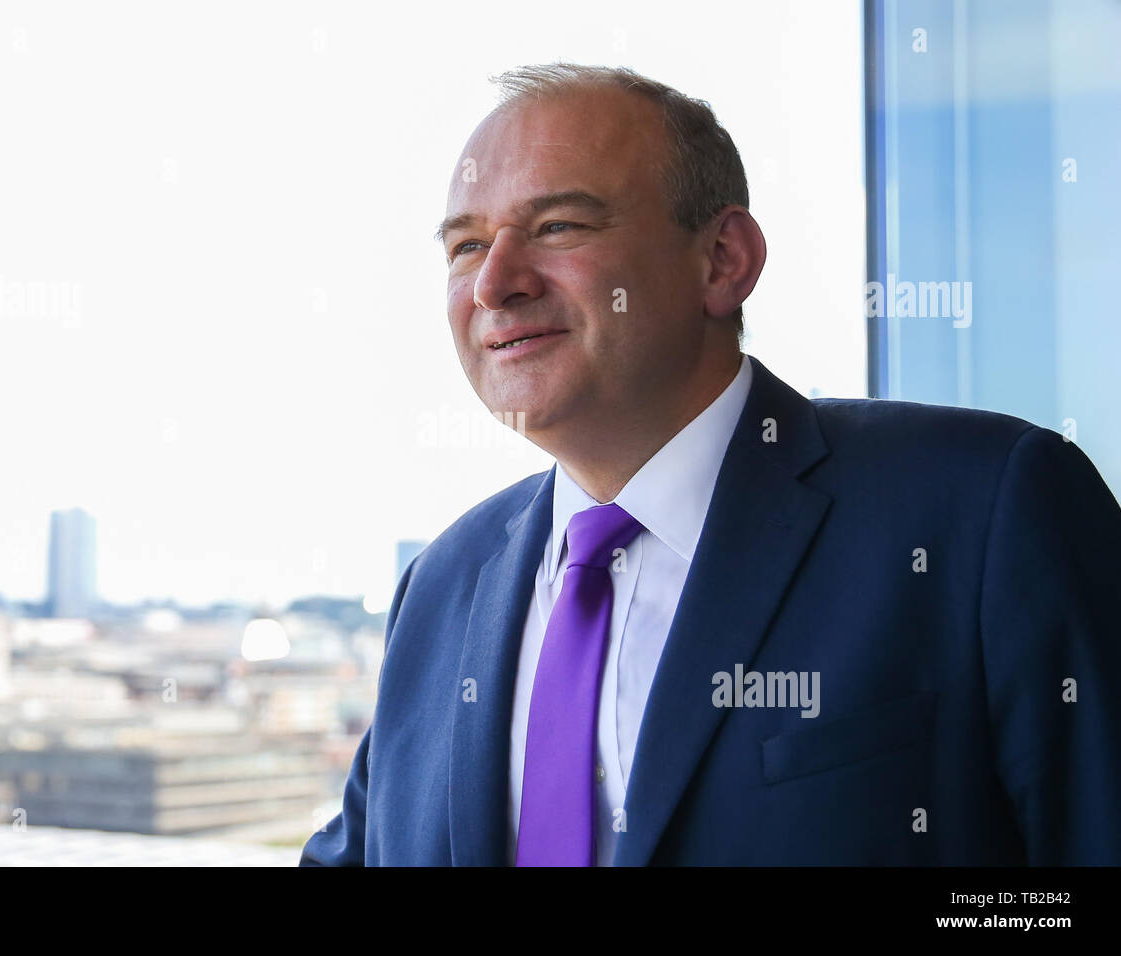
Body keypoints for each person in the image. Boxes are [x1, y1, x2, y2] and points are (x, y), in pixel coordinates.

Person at [300, 62, 1121, 866]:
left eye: (558, 227)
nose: (494, 284)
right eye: (466, 245)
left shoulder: (983, 508)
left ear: (724, 258)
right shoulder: (441, 586)